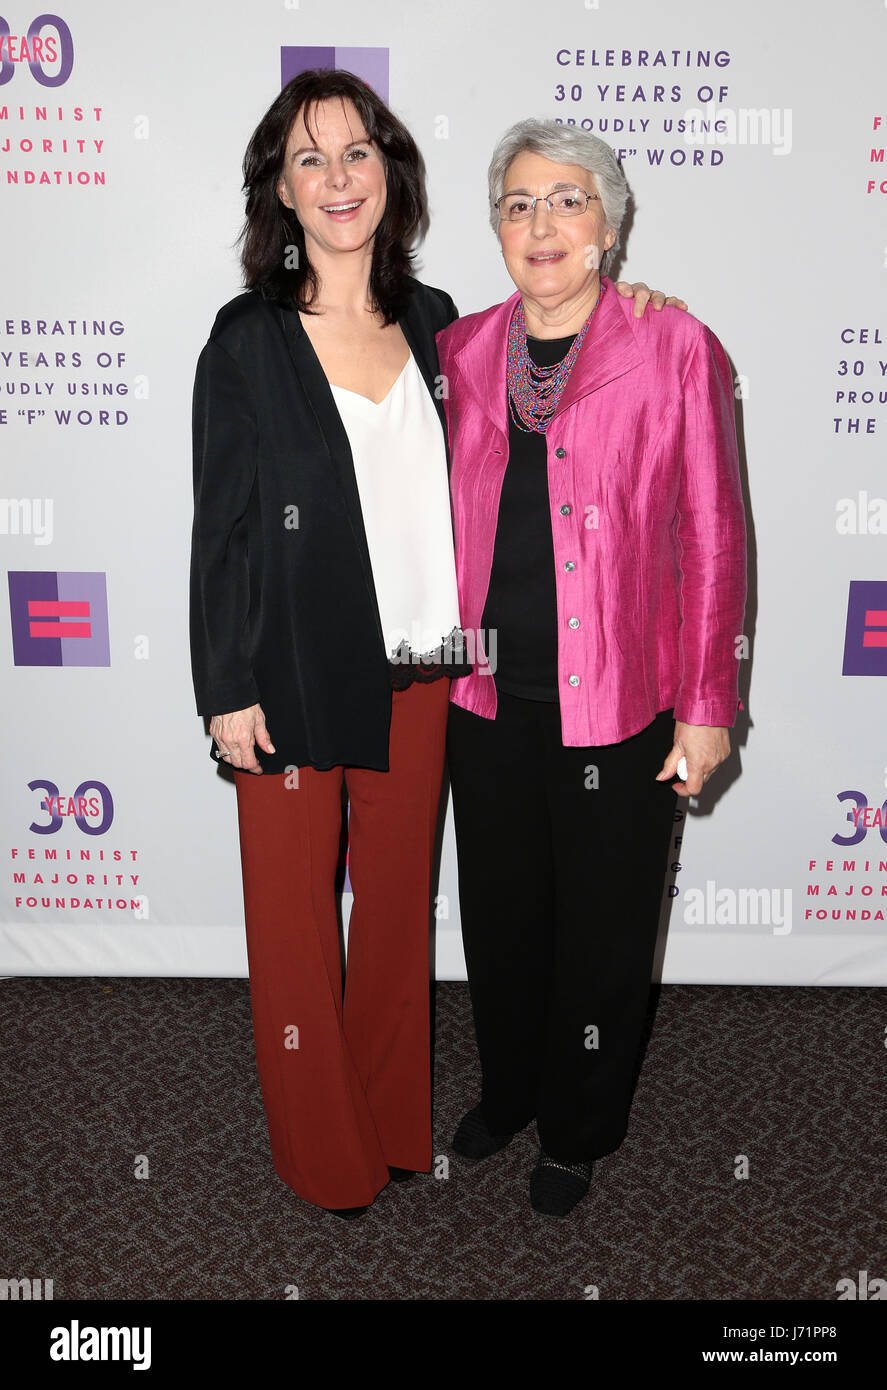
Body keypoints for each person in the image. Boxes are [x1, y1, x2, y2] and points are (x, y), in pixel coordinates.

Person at [190, 72, 678, 1220]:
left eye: (355, 152)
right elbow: (222, 530)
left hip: (428, 678)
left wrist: (628, 302)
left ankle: (385, 1121)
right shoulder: (247, 337)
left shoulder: (441, 324)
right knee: (300, 932)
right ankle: (325, 1155)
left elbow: (560, 367)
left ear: (390, 171)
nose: (337, 178)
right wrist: (225, 689)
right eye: (309, 160)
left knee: (398, 912)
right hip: (288, 679)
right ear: (281, 187)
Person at [438, 118, 747, 1218]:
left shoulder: (674, 347)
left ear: (608, 224)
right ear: (496, 228)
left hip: (620, 701)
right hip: (484, 697)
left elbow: (712, 536)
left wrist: (706, 705)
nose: (541, 224)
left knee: (603, 928)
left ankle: (575, 1126)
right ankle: (512, 1088)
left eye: (566, 199)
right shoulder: (461, 351)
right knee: (503, 914)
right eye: (517, 203)